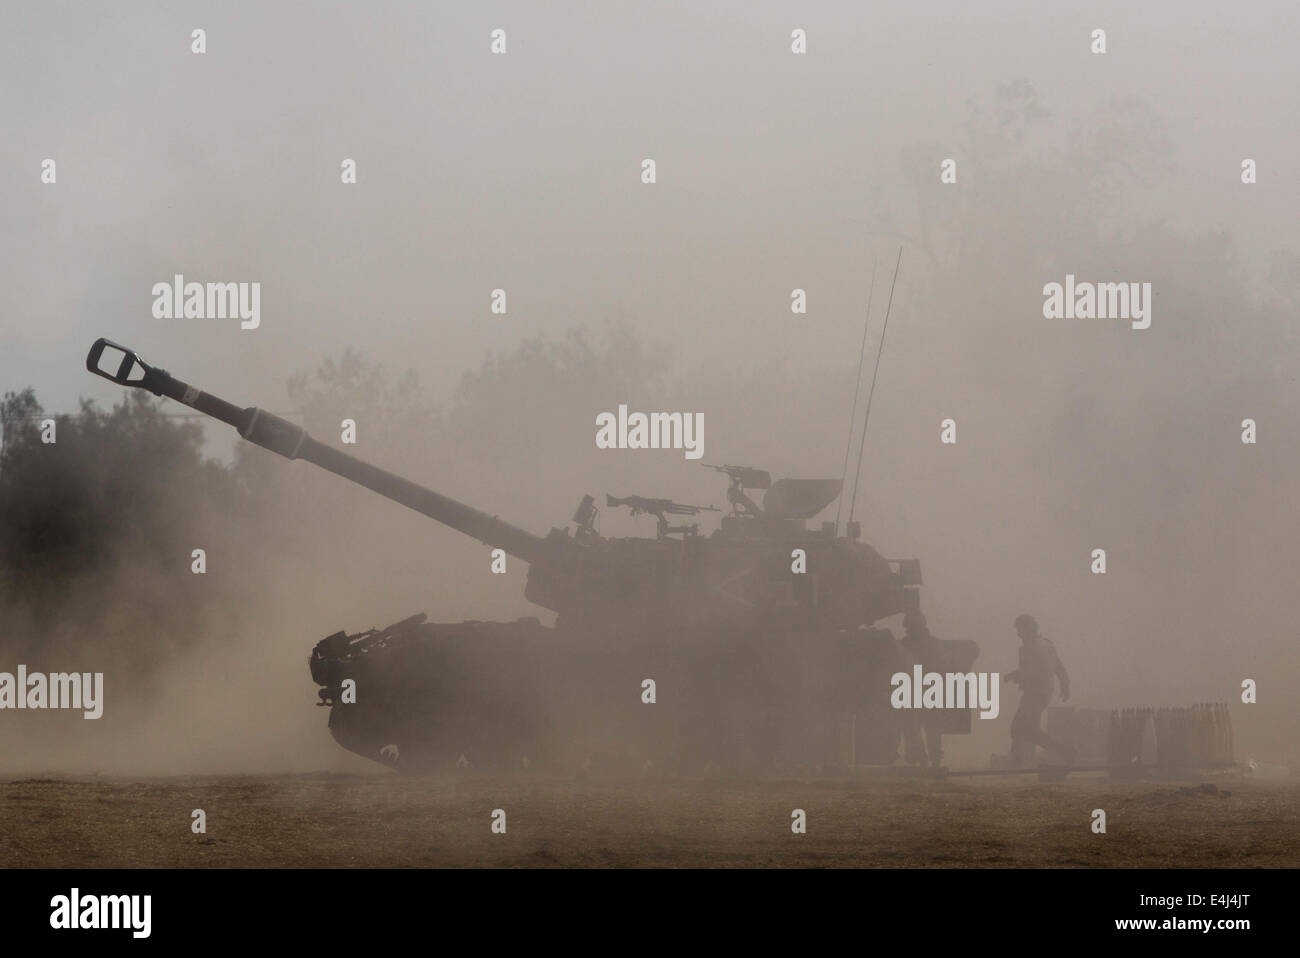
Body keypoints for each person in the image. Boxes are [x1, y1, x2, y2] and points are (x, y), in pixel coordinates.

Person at [1005, 614, 1075, 766]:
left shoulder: (1035, 647)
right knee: (1026, 730)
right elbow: (1054, 666)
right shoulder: (1041, 645)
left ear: (1029, 628)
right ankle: (1064, 752)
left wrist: (1065, 684)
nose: (1018, 634)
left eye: (1020, 629)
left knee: (1019, 728)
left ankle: (1063, 752)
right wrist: (1015, 675)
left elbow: (1046, 668)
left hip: (1036, 693)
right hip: (1037, 693)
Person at [900, 609, 945, 768]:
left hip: (921, 689)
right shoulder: (934, 643)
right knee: (924, 727)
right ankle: (929, 759)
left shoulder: (905, 645)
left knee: (916, 726)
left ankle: (924, 758)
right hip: (924, 690)